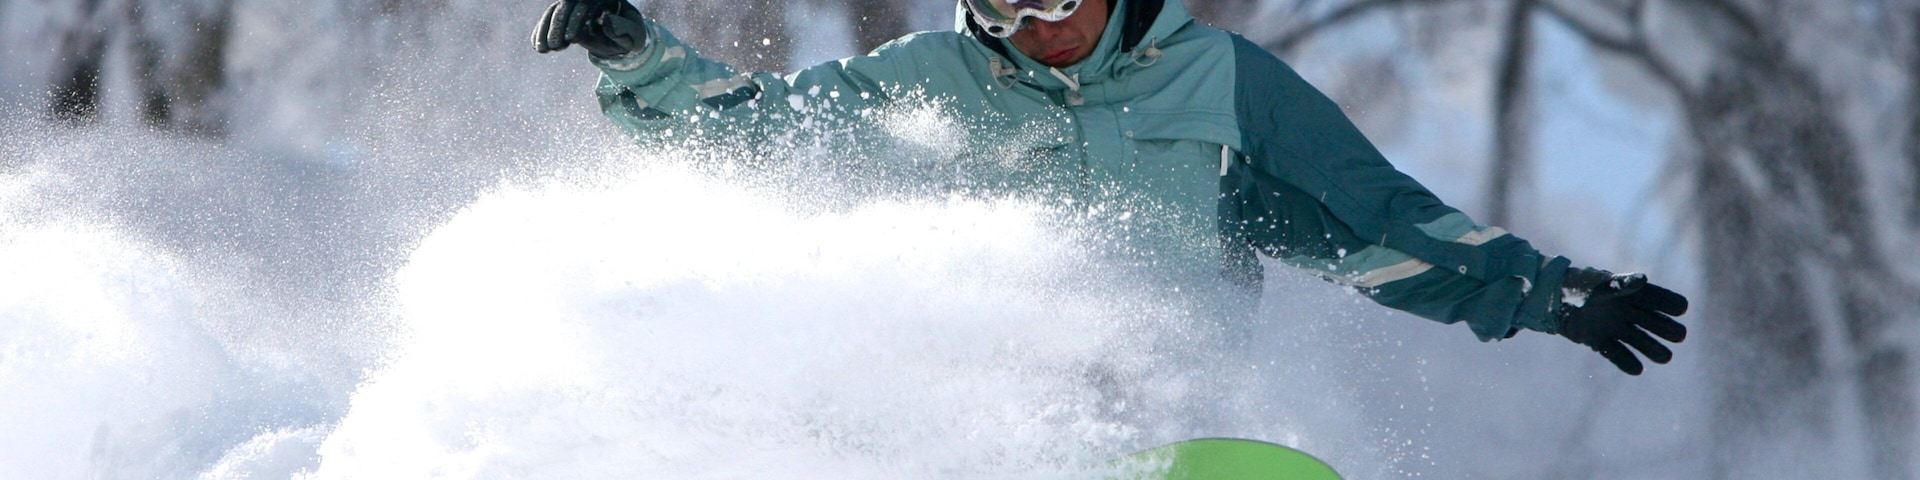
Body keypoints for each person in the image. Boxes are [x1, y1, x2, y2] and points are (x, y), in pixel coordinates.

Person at [531, 0, 1690, 375]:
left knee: (1307, 231)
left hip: (1167, 354)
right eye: (1003, 4)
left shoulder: (1223, 80)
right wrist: (638, 57)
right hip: (977, 358)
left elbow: (1380, 218)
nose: (1036, 30)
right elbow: (770, 133)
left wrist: (1548, 292)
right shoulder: (939, 74)